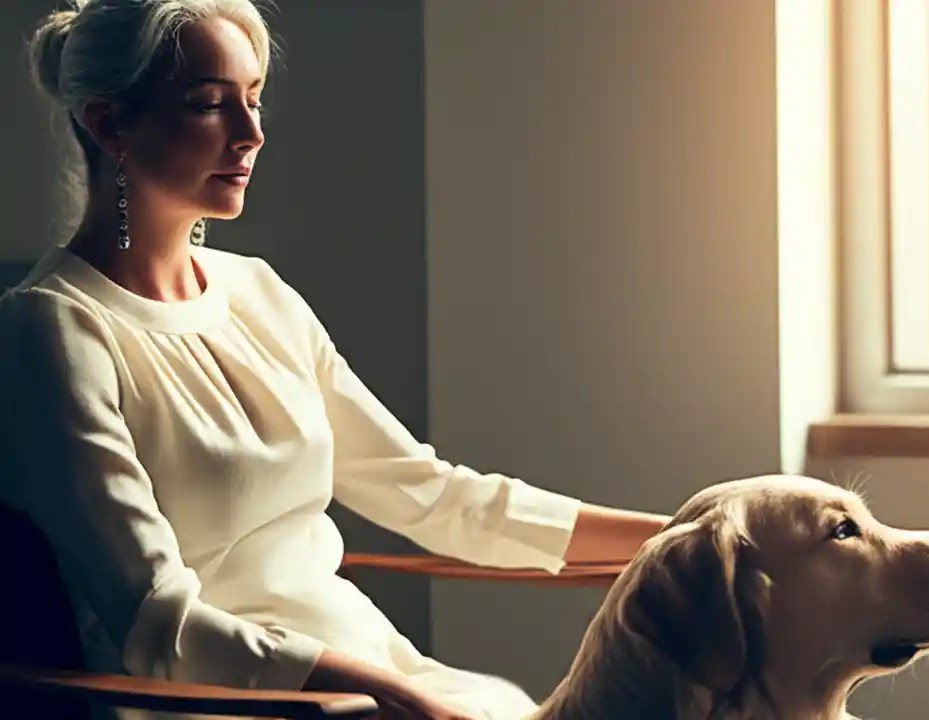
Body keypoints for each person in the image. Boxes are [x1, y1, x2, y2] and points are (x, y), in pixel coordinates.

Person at [0, 2, 670, 718]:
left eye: (254, 101)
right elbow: (155, 620)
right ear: (109, 125)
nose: (251, 135)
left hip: (378, 677)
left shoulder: (256, 291)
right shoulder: (51, 329)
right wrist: (383, 693)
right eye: (208, 105)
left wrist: (685, 530)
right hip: (230, 701)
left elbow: (431, 493)